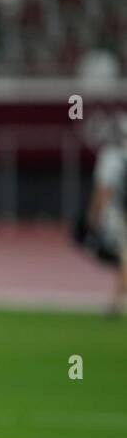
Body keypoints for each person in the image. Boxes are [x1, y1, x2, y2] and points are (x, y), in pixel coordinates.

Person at [85, 113, 127, 316]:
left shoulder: (111, 156)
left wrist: (94, 214)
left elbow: (104, 189)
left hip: (119, 215)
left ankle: (115, 304)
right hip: (119, 213)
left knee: (124, 259)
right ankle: (116, 302)